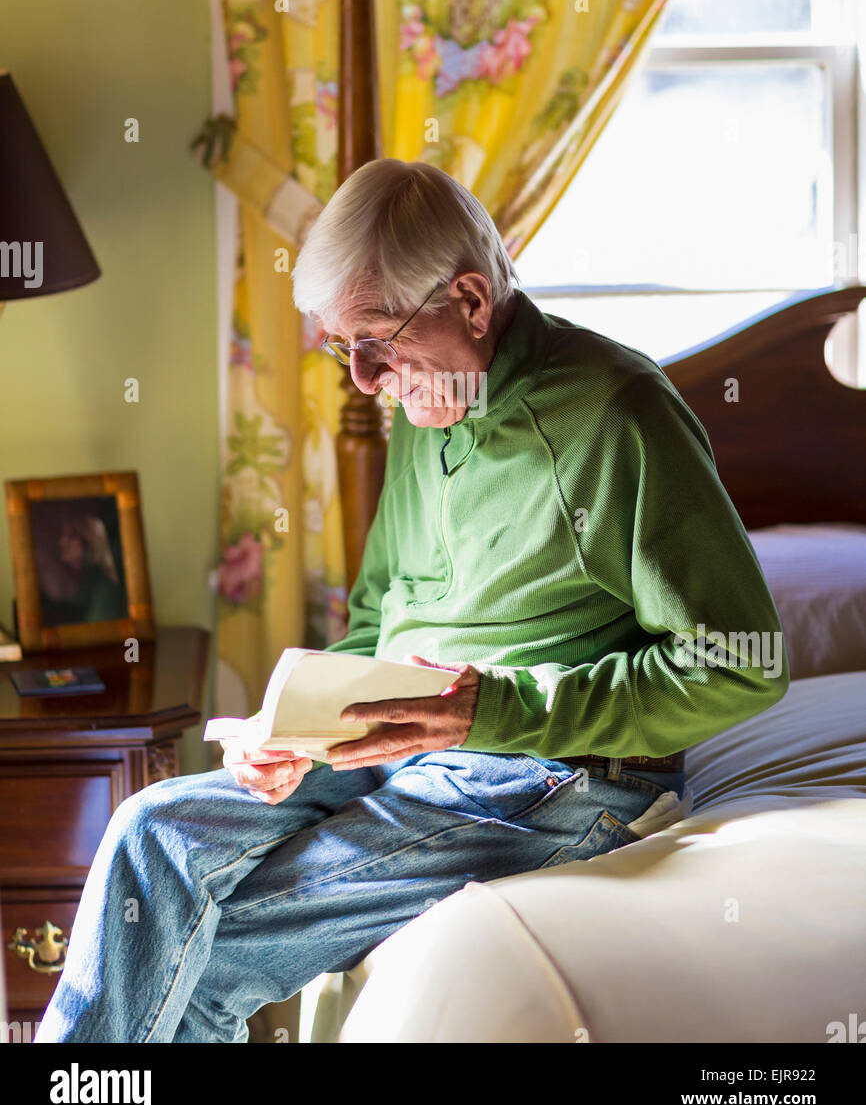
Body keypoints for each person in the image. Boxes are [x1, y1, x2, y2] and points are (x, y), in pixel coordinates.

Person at [36, 159, 788, 1043]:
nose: (361, 378)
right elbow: (382, 615)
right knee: (146, 830)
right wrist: (307, 734)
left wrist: (488, 709)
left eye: (377, 340)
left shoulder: (617, 415)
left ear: (471, 301)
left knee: (205, 953)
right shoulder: (420, 411)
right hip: (398, 746)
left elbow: (744, 664)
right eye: (340, 347)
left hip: (558, 775)